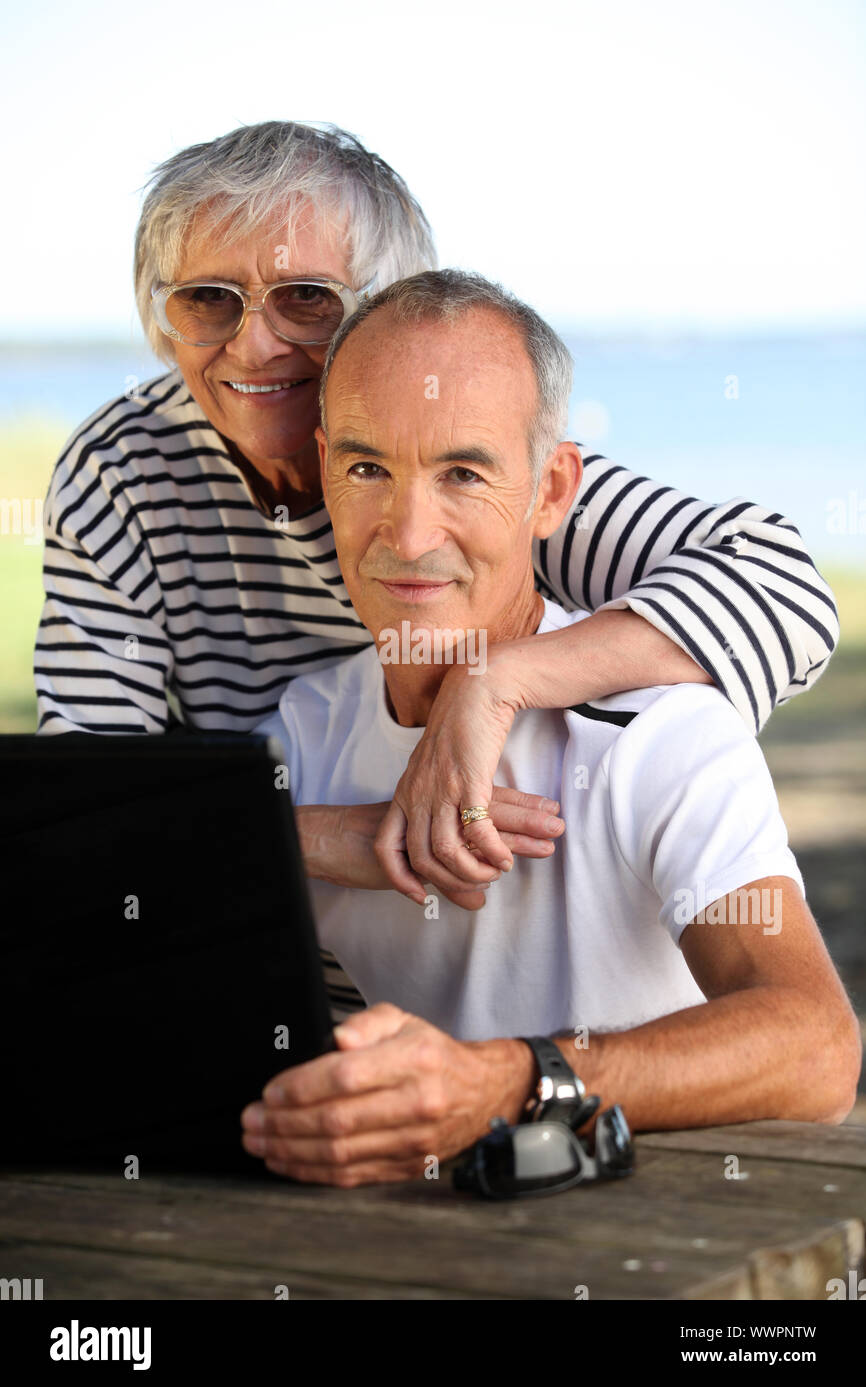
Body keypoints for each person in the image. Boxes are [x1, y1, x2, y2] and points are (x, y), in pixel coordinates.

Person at [34, 120, 839, 1014]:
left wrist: (492, 683)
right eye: (208, 300)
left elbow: (783, 591)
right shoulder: (123, 474)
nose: (253, 346)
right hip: (287, 992)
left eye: (305, 298)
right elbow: (83, 813)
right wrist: (311, 836)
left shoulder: (488, 474)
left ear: (389, 307)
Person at [243, 270, 860, 1188]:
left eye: (463, 473)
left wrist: (511, 1081)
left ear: (552, 490)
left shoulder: (659, 731)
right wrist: (314, 840)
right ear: (325, 465)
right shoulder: (304, 728)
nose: (409, 535)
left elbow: (817, 1049)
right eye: (368, 467)